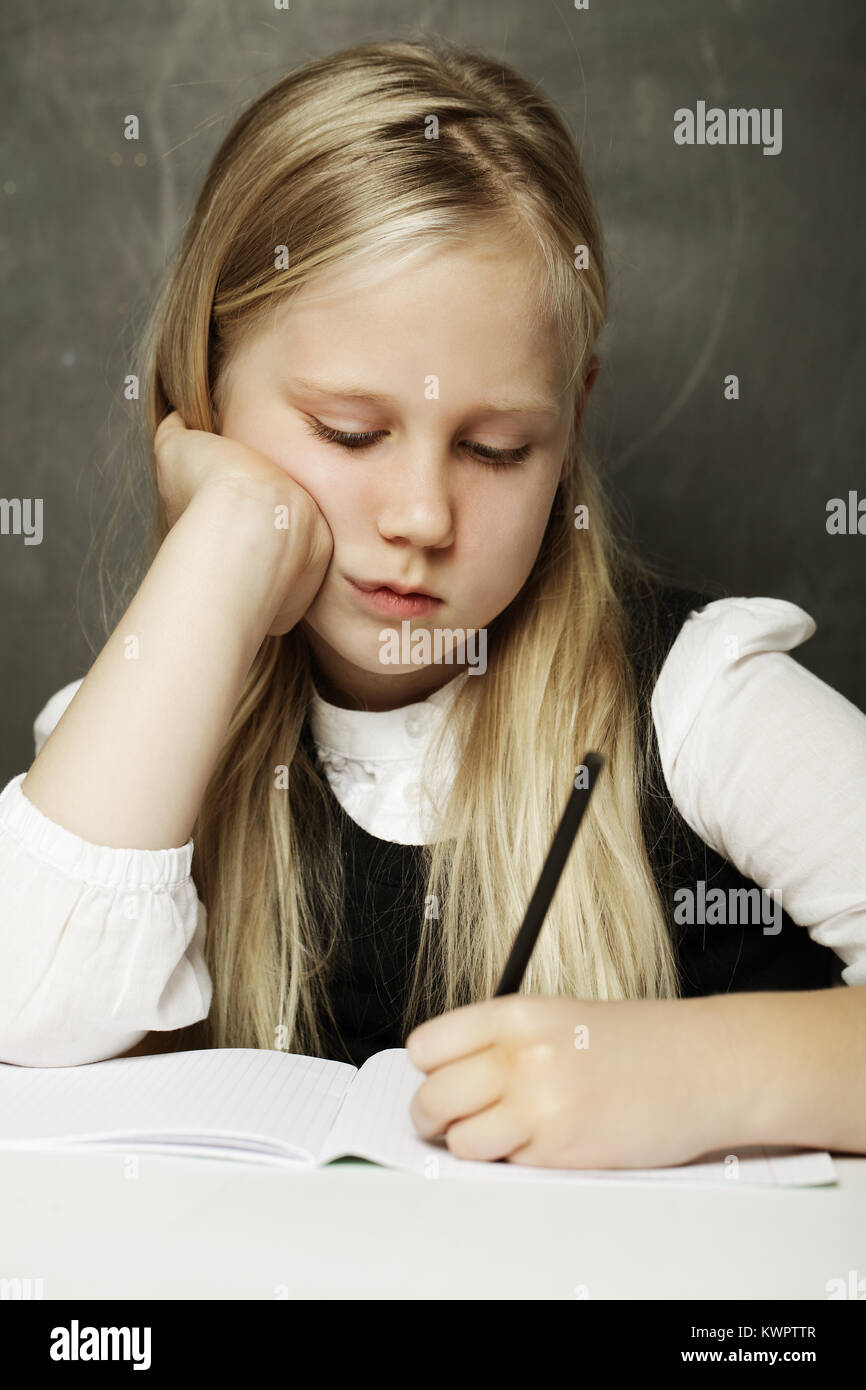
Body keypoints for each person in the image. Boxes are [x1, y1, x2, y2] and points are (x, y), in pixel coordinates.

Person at [2, 39, 864, 1170]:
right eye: (347, 434)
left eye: (498, 449)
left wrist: (705, 1070)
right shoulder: (141, 728)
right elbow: (28, 1024)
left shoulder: (701, 698)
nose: (420, 514)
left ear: (569, 418)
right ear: (203, 389)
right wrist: (222, 542)